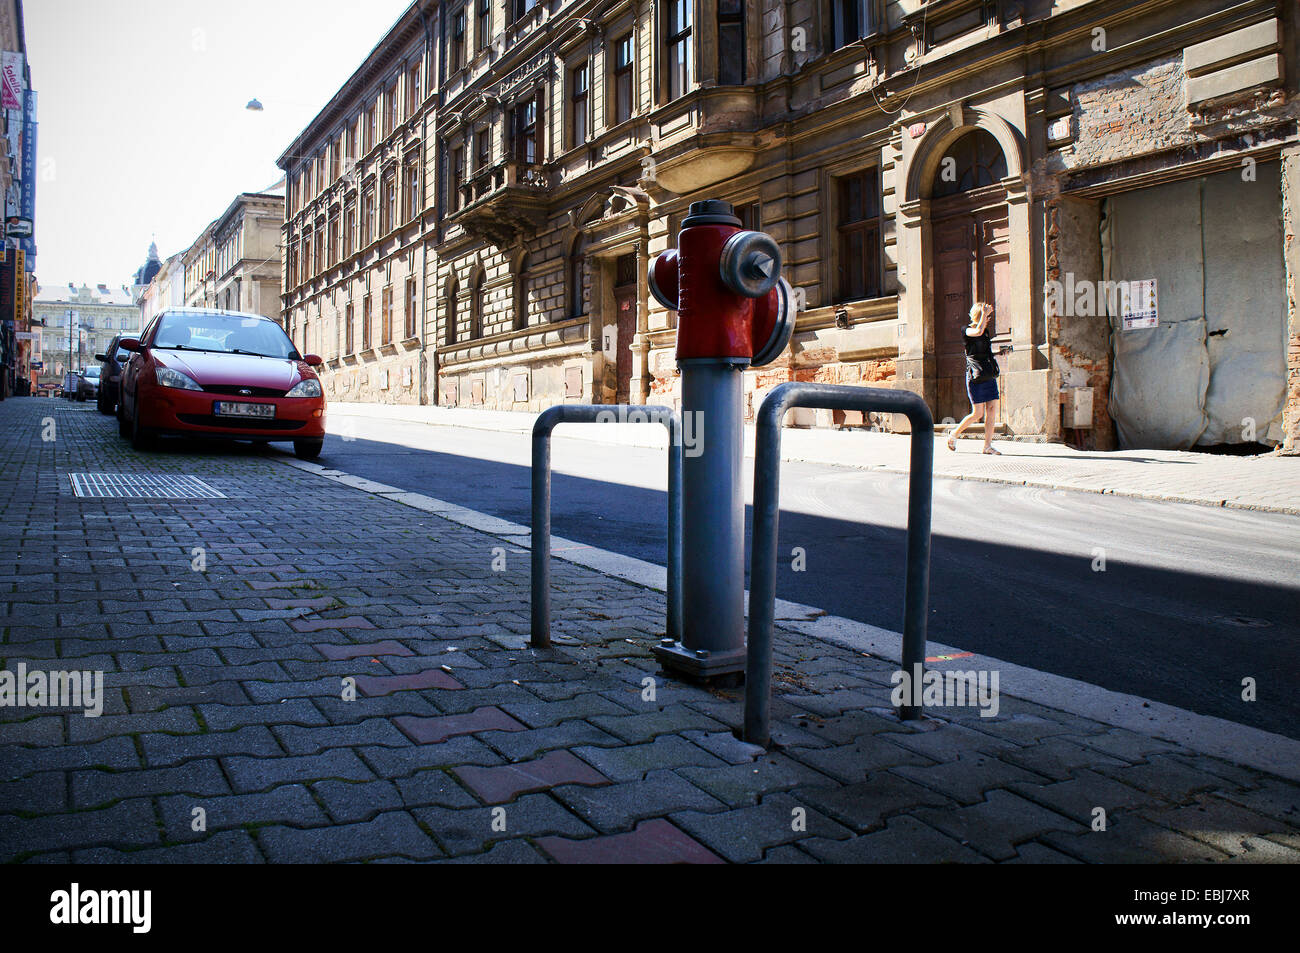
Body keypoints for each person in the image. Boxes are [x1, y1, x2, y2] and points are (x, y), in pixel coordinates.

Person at [947, 301, 1002, 455]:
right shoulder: (967, 330)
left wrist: (1000, 353)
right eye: (986, 316)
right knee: (978, 413)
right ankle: (954, 434)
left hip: (988, 373)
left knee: (991, 410)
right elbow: (976, 332)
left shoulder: (985, 332)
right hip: (975, 376)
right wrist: (984, 315)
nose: (989, 319)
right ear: (979, 315)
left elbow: (984, 353)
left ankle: (987, 446)